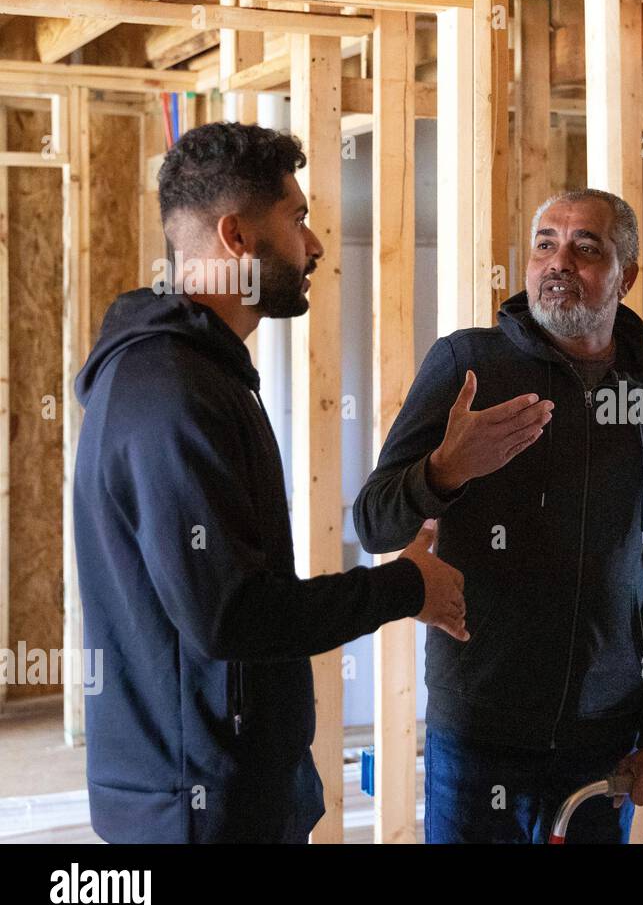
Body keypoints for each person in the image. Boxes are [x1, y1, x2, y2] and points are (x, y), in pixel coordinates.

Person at [73, 122, 467, 843]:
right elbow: (230, 616)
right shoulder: (174, 392)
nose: (314, 245)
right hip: (197, 808)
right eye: (296, 219)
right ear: (236, 238)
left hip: (219, 792)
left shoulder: (196, 377)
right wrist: (405, 586)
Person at [354, 188, 643, 844]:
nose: (558, 262)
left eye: (585, 248)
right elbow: (375, 522)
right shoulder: (469, 365)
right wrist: (444, 471)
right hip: (480, 730)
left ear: (626, 276)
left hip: (607, 735)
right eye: (545, 244)